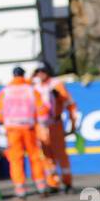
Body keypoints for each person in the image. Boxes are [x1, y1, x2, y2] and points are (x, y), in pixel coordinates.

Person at [0, 66, 47, 199]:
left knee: (16, 159)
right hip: (29, 128)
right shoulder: (31, 90)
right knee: (35, 157)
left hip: (12, 130)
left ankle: (20, 189)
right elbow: (42, 109)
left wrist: (7, 121)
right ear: (24, 75)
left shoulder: (6, 91)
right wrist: (41, 124)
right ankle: (41, 186)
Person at [33, 62, 78, 192]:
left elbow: (69, 103)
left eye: (43, 71)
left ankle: (67, 182)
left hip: (55, 124)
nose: (41, 74)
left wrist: (73, 123)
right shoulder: (35, 87)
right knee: (46, 156)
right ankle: (52, 182)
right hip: (41, 126)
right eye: (38, 72)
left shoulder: (56, 85)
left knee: (61, 155)